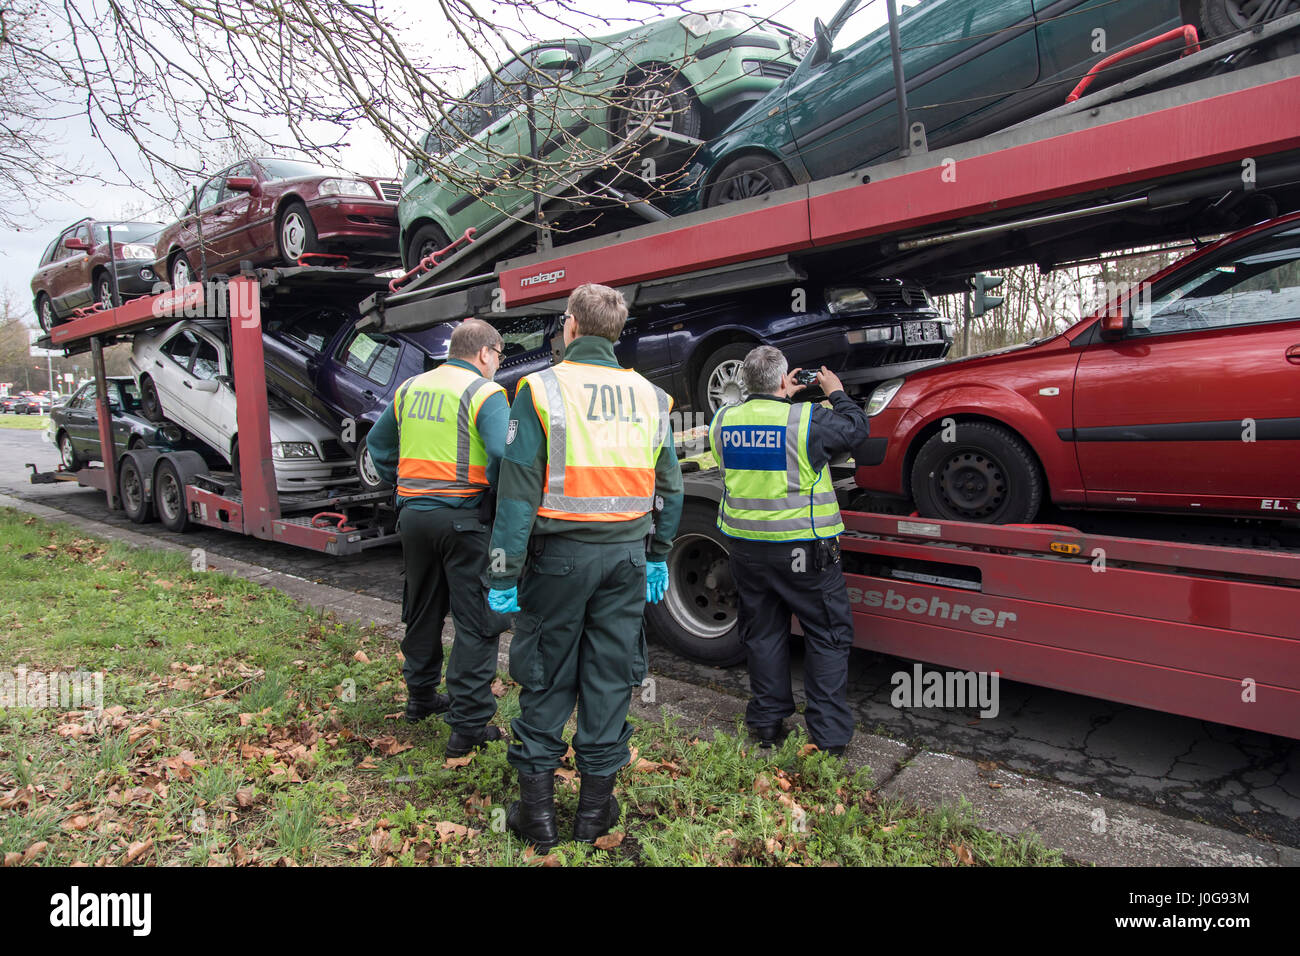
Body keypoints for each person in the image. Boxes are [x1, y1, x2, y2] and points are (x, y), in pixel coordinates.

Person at [487, 282, 683, 853]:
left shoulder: (540, 389)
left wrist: (502, 575)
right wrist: (658, 553)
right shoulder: (650, 396)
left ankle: (537, 815)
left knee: (547, 672)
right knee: (610, 675)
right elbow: (668, 487)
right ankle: (594, 814)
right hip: (625, 559)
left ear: (570, 324)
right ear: (616, 332)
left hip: (558, 562)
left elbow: (517, 498)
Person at [708, 346, 869, 756]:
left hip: (746, 550)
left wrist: (784, 397)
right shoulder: (807, 419)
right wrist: (835, 392)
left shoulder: (723, 420)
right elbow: (856, 430)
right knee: (828, 635)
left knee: (762, 635)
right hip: (804, 551)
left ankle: (766, 725)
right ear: (783, 381)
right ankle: (829, 738)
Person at [365, 317, 512, 758]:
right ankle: (467, 724)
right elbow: (504, 455)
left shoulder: (411, 388)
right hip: (464, 520)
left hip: (413, 518)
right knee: (476, 621)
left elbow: (377, 443)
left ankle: (421, 697)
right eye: (499, 355)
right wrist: (500, 497)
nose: (497, 364)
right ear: (485, 352)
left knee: (423, 607)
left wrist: (404, 483)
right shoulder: (486, 393)